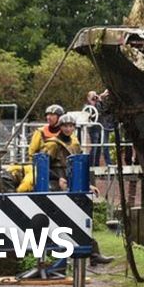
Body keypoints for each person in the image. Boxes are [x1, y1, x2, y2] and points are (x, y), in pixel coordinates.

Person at [41, 113, 114, 265]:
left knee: (82, 218)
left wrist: (88, 184)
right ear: (60, 127)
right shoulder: (52, 144)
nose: (68, 129)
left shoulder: (75, 144)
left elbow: (80, 166)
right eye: (65, 126)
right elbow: (41, 165)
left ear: (74, 128)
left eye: (70, 126)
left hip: (73, 186)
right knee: (61, 222)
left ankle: (93, 253)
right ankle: (60, 258)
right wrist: (57, 178)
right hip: (56, 187)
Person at [84, 90, 114, 167]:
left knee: (100, 147)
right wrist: (91, 103)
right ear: (88, 97)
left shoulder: (99, 104)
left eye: (95, 95)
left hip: (101, 127)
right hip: (93, 128)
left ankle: (97, 165)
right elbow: (87, 114)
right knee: (95, 147)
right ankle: (91, 165)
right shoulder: (87, 106)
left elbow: (105, 111)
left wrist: (100, 101)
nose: (94, 97)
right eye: (92, 95)